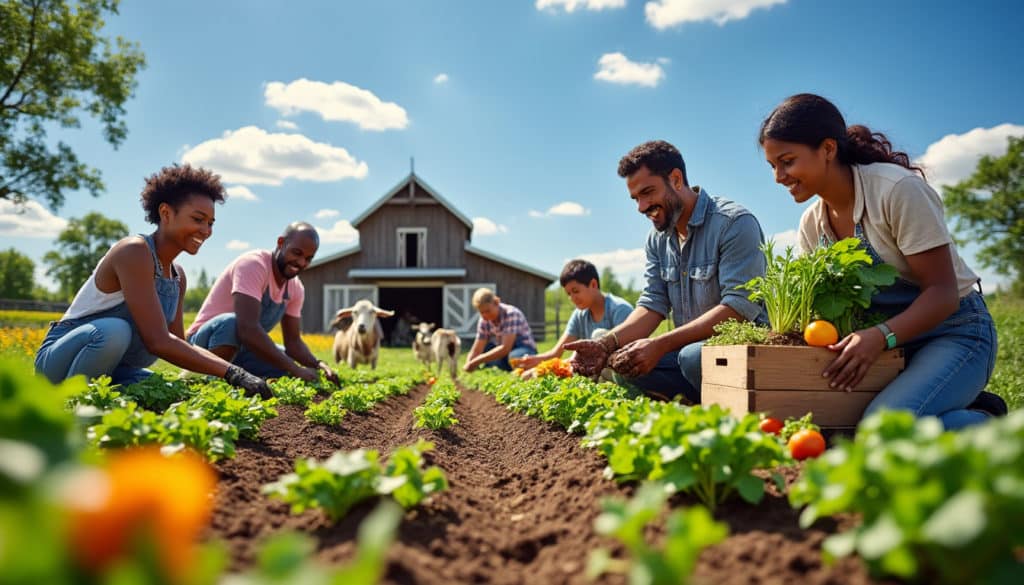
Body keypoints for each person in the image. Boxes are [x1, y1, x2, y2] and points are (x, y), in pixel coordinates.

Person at [758, 93, 1005, 429]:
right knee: (837, 425)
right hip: (885, 345)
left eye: (787, 161)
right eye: (773, 166)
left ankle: (995, 428)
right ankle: (956, 412)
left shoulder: (896, 190)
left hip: (954, 333)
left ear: (828, 149)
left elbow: (943, 292)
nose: (778, 176)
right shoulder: (813, 224)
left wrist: (881, 336)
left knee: (881, 430)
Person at [34, 165, 271, 397]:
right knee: (115, 331)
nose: (205, 230)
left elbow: (179, 342)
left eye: (210, 223)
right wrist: (233, 373)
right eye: (198, 219)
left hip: (117, 371)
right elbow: (158, 341)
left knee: (171, 394)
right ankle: (69, 404)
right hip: (60, 362)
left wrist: (234, 374)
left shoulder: (177, 275)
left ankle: (101, 400)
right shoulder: (134, 251)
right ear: (166, 213)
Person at [566, 140, 766, 403]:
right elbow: (652, 304)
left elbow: (739, 307)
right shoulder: (657, 240)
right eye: (636, 198)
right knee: (622, 362)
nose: (641, 206)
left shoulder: (733, 223)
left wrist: (661, 344)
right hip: (688, 352)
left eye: (648, 192)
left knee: (692, 358)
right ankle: (696, 402)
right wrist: (606, 345)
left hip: (745, 350)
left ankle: (713, 408)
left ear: (676, 179)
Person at [186, 222, 340, 384]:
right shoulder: (254, 265)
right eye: (297, 253)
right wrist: (295, 369)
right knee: (232, 323)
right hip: (201, 346)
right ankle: (210, 381)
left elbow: (293, 342)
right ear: (281, 243)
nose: (301, 263)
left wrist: (318, 364)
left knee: (285, 358)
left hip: (245, 348)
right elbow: (247, 328)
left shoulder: (295, 288)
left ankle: (240, 378)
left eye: (308, 258)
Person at [516, 259, 633, 372]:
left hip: (618, 366)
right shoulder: (579, 314)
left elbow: (628, 354)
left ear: (593, 284)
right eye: (568, 293)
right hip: (590, 367)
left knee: (598, 335)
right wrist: (535, 362)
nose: (572, 298)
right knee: (535, 374)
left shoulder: (619, 309)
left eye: (575, 291)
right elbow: (557, 352)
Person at [462, 287, 537, 372]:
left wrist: (476, 361)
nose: (485, 315)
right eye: (482, 312)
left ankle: (521, 366)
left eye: (487, 311)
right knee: (487, 350)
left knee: (515, 357)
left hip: (523, 348)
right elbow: (477, 349)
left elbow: (505, 348)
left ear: (496, 302)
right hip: (503, 353)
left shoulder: (511, 314)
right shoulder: (484, 320)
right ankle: (506, 366)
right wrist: (468, 363)